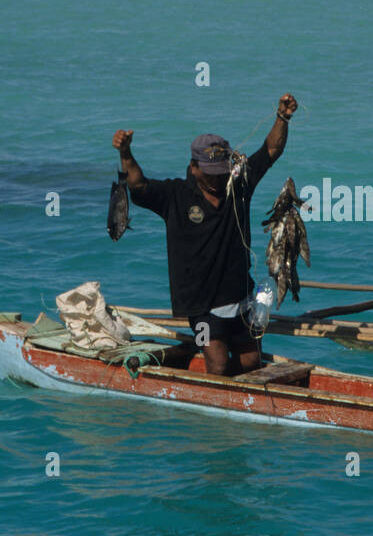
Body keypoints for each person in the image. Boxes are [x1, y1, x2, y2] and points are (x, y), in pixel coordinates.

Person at [112, 93, 298, 375]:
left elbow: (271, 150)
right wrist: (125, 154)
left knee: (251, 362)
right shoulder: (175, 195)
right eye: (209, 173)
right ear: (194, 167)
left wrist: (282, 117)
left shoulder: (239, 184)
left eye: (221, 171)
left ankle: (237, 401)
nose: (217, 179)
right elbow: (138, 187)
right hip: (201, 307)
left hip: (241, 298)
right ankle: (215, 400)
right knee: (217, 363)